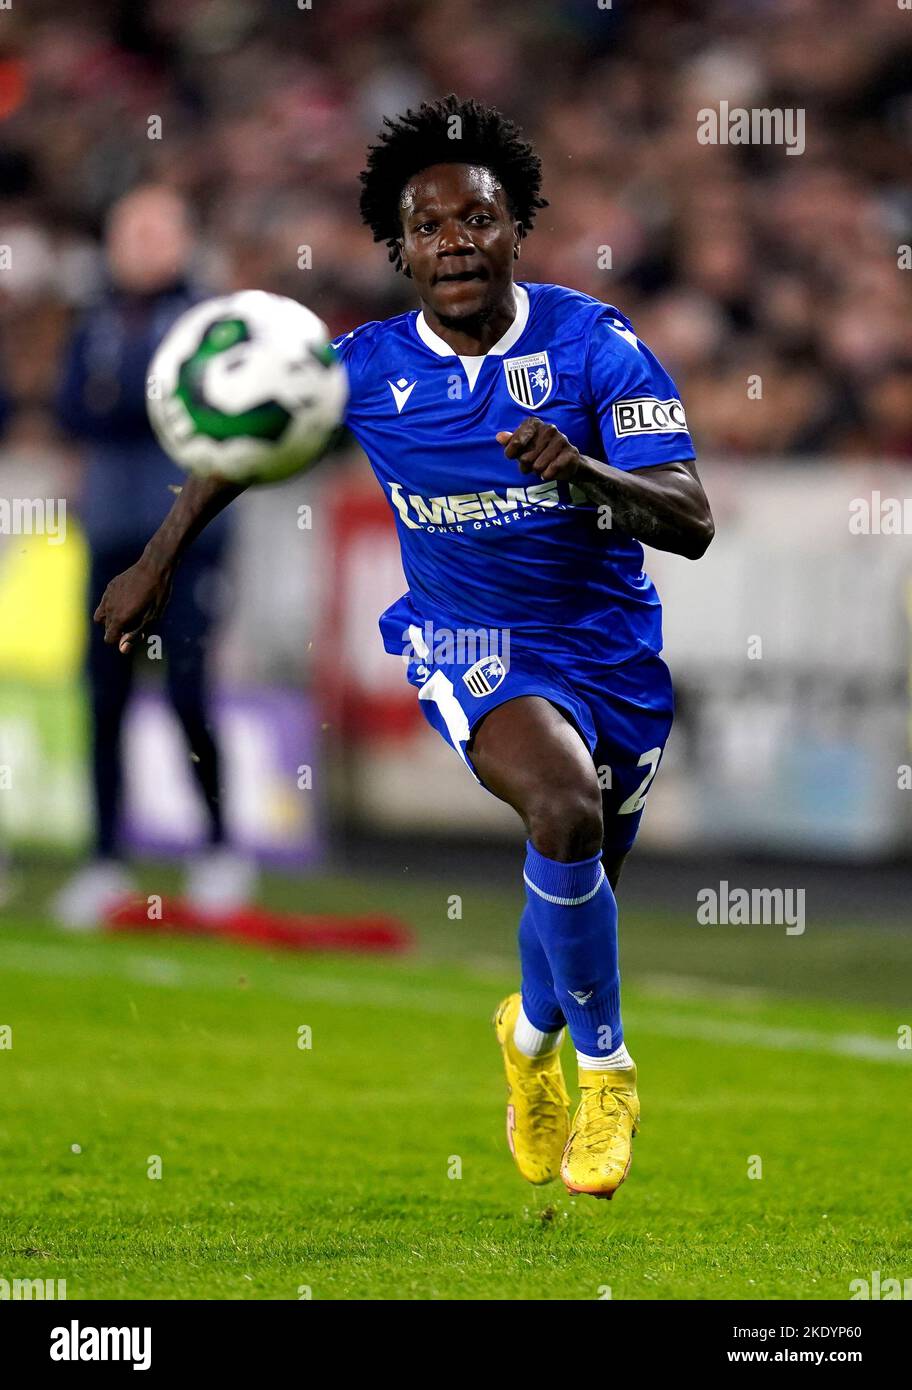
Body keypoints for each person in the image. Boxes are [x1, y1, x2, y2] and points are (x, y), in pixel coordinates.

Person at [93, 99, 714, 1199]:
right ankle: (609, 1073)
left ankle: (528, 1043)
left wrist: (583, 473)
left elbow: (688, 517)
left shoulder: (594, 344)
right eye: (428, 227)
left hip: (608, 648)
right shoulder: (366, 369)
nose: (454, 241)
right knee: (562, 808)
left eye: (476, 218)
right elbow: (238, 449)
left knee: (577, 883)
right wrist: (159, 559)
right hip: (466, 640)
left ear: (516, 226)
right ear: (400, 249)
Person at [53, 185, 254, 927]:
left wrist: (129, 403)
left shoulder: (209, 319)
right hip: (109, 535)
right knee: (102, 697)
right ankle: (104, 859)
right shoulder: (95, 318)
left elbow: (197, 408)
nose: (139, 244)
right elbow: (73, 405)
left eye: (153, 230)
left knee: (188, 693)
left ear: (182, 239)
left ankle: (219, 850)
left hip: (189, 540)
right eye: (127, 230)